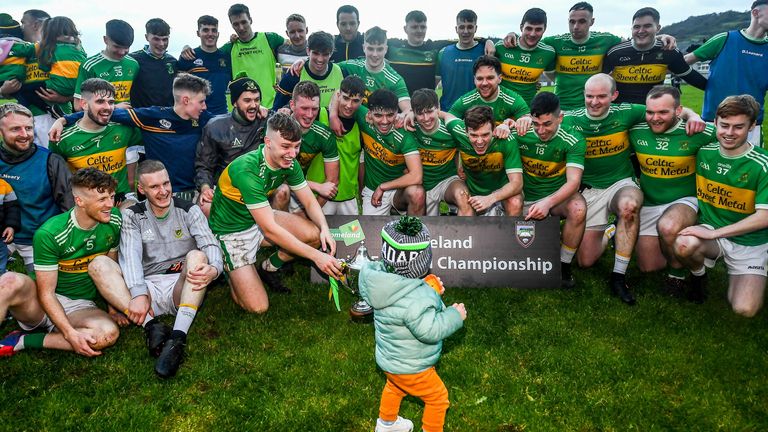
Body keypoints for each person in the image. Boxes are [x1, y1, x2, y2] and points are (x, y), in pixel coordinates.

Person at [564, 73, 704, 305]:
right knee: (586, 261)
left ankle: (618, 276)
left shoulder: (629, 112)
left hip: (621, 184)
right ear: (584, 95)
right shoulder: (572, 119)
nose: (594, 102)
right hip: (591, 190)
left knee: (629, 206)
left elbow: (671, 108)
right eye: (589, 96)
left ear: (614, 96)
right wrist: (514, 122)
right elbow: (542, 121)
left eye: (601, 96)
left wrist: (693, 115)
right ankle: (611, 231)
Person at [88, 160, 222, 377]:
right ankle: (153, 327)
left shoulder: (189, 210)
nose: (163, 191)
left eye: (166, 183)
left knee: (198, 256)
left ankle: (178, 338)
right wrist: (139, 293)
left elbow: (209, 244)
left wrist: (214, 269)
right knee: (99, 265)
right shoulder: (132, 215)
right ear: (141, 189)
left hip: (182, 286)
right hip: (147, 290)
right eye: (154, 187)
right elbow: (130, 257)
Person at [208, 113, 343, 313]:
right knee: (258, 307)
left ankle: (268, 267)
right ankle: (229, 269)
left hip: (259, 219)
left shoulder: (289, 163)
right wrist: (317, 257)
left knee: (314, 235)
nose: (292, 153)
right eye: (286, 147)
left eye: (296, 146)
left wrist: (325, 228)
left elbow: (308, 200)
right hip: (232, 232)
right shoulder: (247, 171)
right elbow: (270, 230)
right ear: (268, 142)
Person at [358, 216, 466, 432]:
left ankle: (386, 425)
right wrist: (454, 315)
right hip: (413, 366)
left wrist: (428, 290)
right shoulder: (417, 297)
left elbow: (406, 296)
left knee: (395, 386)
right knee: (438, 398)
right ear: (421, 262)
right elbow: (430, 329)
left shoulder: (381, 282)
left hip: (390, 360)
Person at [0, 168, 121, 358]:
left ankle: (23, 340)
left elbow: (110, 268)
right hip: (40, 302)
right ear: (79, 201)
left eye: (111, 197)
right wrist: (70, 333)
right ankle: (55, 330)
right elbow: (46, 292)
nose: (109, 205)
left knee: (107, 334)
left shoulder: (114, 219)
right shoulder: (50, 233)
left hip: (80, 306)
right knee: (7, 282)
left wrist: (113, 308)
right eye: (101, 200)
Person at [673, 95, 768, 316]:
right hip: (712, 232)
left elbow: (764, 218)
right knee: (684, 244)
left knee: (744, 309)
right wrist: (692, 114)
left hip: (750, 243)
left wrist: (714, 233)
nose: (729, 133)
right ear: (714, 122)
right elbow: (678, 110)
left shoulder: (762, 164)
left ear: (752, 126)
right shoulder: (705, 152)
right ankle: (699, 276)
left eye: (738, 127)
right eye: (724, 125)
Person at [51, 73, 214, 201]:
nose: (204, 106)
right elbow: (101, 113)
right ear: (186, 100)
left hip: (197, 189)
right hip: (165, 192)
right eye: (201, 102)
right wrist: (64, 119)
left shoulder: (204, 119)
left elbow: (225, 122)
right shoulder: (152, 117)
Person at [629, 85, 716, 295]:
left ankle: (678, 277)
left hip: (685, 200)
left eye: (662, 112)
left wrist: (693, 115)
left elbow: (733, 140)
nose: (654, 118)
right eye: (650, 112)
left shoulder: (697, 131)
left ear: (678, 111)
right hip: (650, 201)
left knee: (668, 227)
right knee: (648, 266)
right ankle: (682, 248)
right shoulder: (635, 130)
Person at [519, 92, 587, 289]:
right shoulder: (522, 132)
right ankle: (515, 260)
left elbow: (574, 182)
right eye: (536, 124)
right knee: (512, 200)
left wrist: (548, 203)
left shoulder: (573, 140)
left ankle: (564, 265)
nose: (541, 130)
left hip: (554, 200)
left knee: (578, 207)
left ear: (560, 118)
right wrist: (505, 127)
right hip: (523, 197)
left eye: (547, 124)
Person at [0, 103, 72, 273]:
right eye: (16, 129)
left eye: (29, 128)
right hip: (3, 236)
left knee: (42, 289)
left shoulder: (51, 161)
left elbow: (69, 206)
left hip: (36, 239)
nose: (24, 135)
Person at [685, 0, 768, 147]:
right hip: (715, 121)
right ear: (756, 13)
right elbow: (684, 62)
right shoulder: (725, 38)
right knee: (709, 167)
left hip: (751, 125)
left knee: (749, 169)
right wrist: (704, 84)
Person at [50, 78, 142, 208]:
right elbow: (57, 181)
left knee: (133, 215)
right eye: (100, 102)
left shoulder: (124, 129)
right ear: (84, 104)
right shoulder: (62, 139)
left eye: (111, 102)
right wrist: (61, 120)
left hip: (121, 199)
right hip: (86, 204)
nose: (107, 108)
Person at [195, 74, 269, 217]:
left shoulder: (267, 120)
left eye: (257, 100)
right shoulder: (215, 127)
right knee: (204, 205)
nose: (253, 105)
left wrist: (281, 110)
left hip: (259, 185)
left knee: (283, 191)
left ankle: (273, 236)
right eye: (247, 100)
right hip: (226, 187)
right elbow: (204, 166)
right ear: (234, 102)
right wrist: (205, 188)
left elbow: (291, 115)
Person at [603, 7, 707, 105]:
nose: (641, 31)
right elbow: (598, 80)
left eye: (647, 26)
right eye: (637, 27)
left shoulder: (668, 51)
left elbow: (692, 77)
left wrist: (717, 90)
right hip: (621, 111)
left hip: (653, 112)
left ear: (658, 28)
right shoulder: (616, 52)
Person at [346, 89, 423, 215]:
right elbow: (340, 95)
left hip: (398, 190)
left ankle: (413, 232)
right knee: (371, 232)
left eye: (390, 115)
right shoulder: (362, 116)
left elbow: (417, 176)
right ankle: (392, 213)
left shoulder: (404, 134)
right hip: (372, 190)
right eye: (378, 115)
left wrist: (383, 187)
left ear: (397, 112)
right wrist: (333, 115)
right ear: (369, 113)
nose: (385, 121)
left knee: (417, 193)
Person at [445, 105, 524, 216]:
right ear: (466, 131)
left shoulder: (506, 140)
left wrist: (490, 198)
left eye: (485, 135)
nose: (480, 141)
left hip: (502, 194)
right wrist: (412, 114)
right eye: (473, 135)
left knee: (515, 202)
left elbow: (517, 184)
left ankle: (511, 233)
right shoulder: (457, 130)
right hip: (473, 193)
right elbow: (444, 115)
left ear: (494, 129)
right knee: (462, 197)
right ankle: (467, 233)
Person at [306, 75, 366, 215]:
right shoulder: (319, 115)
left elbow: (360, 162)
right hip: (318, 195)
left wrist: (361, 192)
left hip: (349, 198)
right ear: (338, 95)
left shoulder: (361, 125)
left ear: (362, 101)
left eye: (355, 101)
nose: (349, 105)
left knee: (356, 237)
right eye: (345, 98)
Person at [410, 88, 473, 216]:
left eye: (429, 111)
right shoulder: (410, 127)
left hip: (447, 181)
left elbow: (474, 142)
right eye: (420, 113)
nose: (426, 118)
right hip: (420, 185)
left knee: (463, 197)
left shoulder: (451, 129)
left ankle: (464, 236)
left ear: (438, 108)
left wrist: (462, 167)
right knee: (424, 223)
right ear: (414, 113)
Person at [1, 9, 50, 148]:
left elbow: (75, 81)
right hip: (20, 120)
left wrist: (63, 97)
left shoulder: (56, 48)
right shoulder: (11, 51)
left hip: (52, 114)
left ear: (35, 25)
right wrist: (2, 90)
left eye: (23, 23)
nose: (20, 27)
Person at [222, 3, 284, 109]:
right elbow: (206, 55)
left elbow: (296, 46)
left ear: (250, 20)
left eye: (244, 22)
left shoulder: (270, 39)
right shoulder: (228, 48)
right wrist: (186, 48)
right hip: (243, 111)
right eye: (236, 24)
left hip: (271, 107)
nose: (241, 28)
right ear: (231, 25)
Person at [288, 81, 339, 210]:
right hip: (271, 189)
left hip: (299, 188)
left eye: (314, 109)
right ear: (292, 105)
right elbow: (276, 176)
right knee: (282, 191)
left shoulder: (324, 135)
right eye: (304, 108)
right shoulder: (277, 128)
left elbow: (332, 181)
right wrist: (317, 186)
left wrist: (311, 212)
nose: (310, 115)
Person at [337, 26, 411, 113]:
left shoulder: (395, 80)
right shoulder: (351, 66)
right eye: (370, 49)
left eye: (379, 49)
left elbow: (408, 110)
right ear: (364, 48)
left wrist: (403, 116)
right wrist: (333, 114)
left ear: (386, 49)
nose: (375, 54)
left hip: (379, 124)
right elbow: (328, 68)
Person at [493, 8, 556, 107]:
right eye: (529, 28)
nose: (532, 34)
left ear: (545, 29)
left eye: (538, 29)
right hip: (499, 107)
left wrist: (536, 81)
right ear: (521, 27)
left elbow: (553, 78)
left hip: (526, 111)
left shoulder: (549, 53)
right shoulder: (501, 47)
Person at [448, 56, 531, 129]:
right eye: (480, 79)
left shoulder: (513, 99)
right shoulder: (466, 100)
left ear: (500, 78)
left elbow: (527, 119)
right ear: (474, 80)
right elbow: (449, 118)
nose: (484, 83)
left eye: (490, 78)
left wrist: (521, 121)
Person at [73, 19, 138, 110]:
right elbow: (78, 106)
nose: (122, 52)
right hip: (99, 123)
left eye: (126, 48)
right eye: (117, 47)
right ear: (106, 40)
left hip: (126, 121)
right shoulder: (90, 66)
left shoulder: (133, 64)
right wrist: (114, 107)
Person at [177, 15, 231, 116]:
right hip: (195, 117)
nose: (210, 34)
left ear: (218, 34)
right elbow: (179, 90)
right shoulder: (188, 56)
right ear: (198, 33)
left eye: (213, 30)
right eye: (205, 30)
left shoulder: (227, 57)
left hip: (221, 115)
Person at [274, 31, 342, 109]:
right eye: (315, 53)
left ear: (331, 53)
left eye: (325, 54)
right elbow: (276, 110)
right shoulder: (294, 75)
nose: (320, 59)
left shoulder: (340, 71)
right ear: (308, 51)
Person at [36, 16, 87, 121]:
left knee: (39, 88)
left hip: (58, 88)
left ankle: (57, 112)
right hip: (78, 88)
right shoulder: (79, 47)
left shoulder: (51, 47)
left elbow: (44, 67)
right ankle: (67, 115)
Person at [436, 10, 486, 111]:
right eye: (462, 27)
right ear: (456, 29)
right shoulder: (443, 53)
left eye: (470, 27)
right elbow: (434, 84)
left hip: (477, 113)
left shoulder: (485, 51)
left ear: (475, 28)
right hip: (448, 113)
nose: (466, 31)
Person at [128, 18, 177, 108]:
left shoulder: (173, 61)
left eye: (165, 39)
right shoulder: (133, 60)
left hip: (167, 118)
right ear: (146, 37)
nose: (161, 44)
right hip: (141, 118)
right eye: (156, 39)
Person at [0, 179, 20, 275]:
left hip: (0, 237)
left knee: (1, 266)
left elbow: (12, 208)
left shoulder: (3, 186)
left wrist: (11, 226)